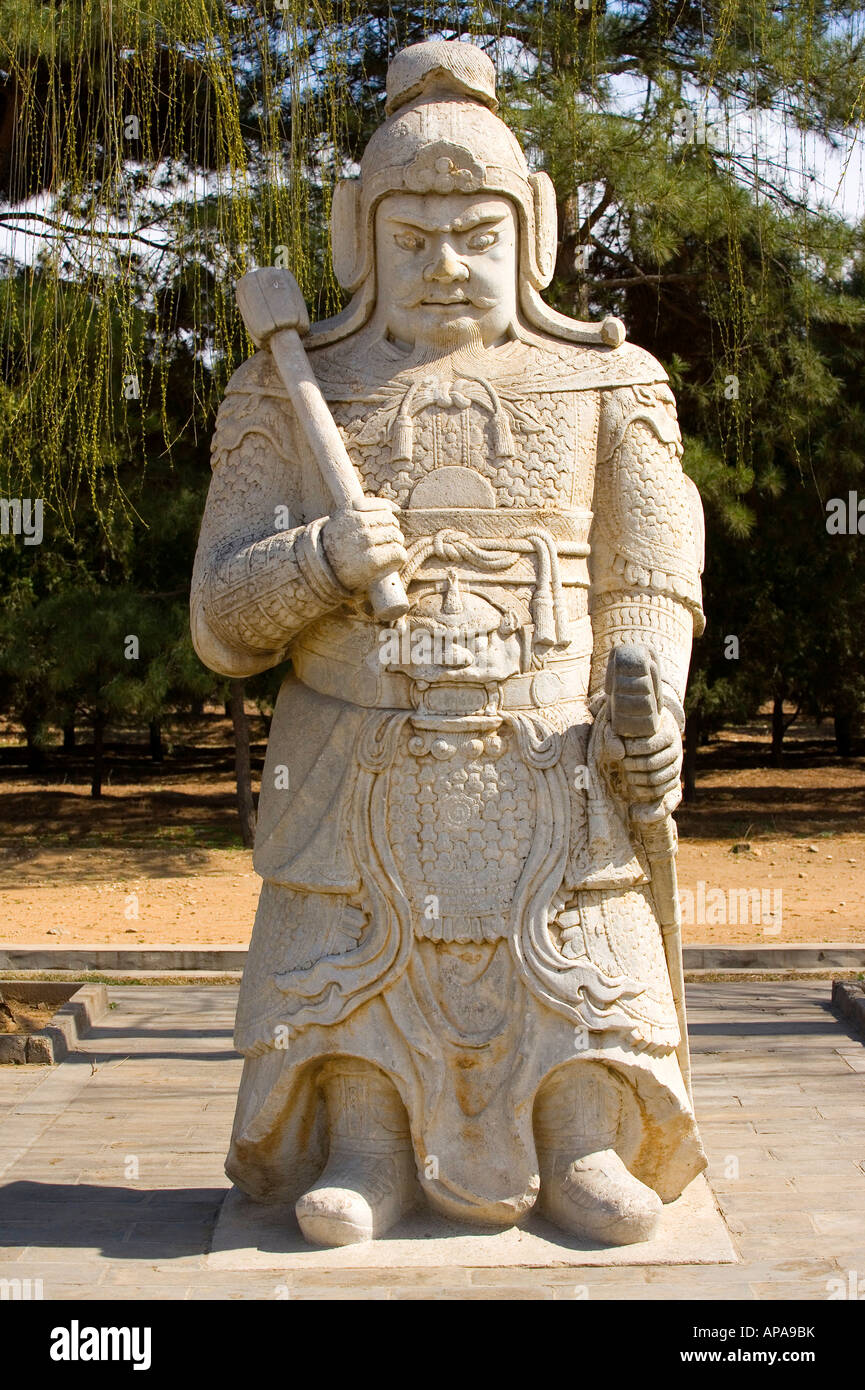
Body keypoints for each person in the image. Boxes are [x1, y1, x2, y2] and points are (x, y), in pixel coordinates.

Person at [191, 39, 707, 1248]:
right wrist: (317, 560)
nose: (443, 264)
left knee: (573, 943)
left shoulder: (607, 381)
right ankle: (364, 1140)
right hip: (356, 743)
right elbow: (219, 624)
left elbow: (649, 574)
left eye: (474, 232)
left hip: (548, 742)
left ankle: (579, 1131)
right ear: (352, 232)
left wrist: (652, 702)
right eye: (410, 237)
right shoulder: (283, 387)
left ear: (528, 226)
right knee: (358, 949)